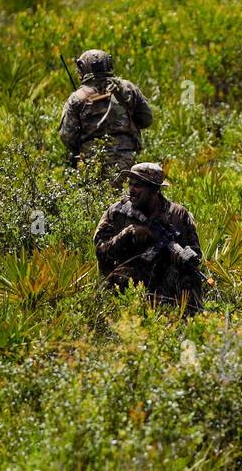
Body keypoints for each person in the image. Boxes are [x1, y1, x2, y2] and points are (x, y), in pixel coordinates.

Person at [93, 162, 205, 313]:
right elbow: (101, 252)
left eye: (138, 186)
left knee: (190, 275)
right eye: (130, 184)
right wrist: (126, 235)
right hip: (127, 286)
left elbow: (196, 252)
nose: (131, 190)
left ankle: (192, 319)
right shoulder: (117, 212)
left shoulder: (178, 214)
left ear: (154, 189)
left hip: (167, 284)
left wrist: (183, 254)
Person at [59, 49, 152, 189]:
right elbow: (146, 119)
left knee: (96, 203)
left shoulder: (77, 98)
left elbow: (67, 137)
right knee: (126, 202)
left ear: (83, 68)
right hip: (126, 159)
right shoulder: (128, 88)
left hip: (92, 162)